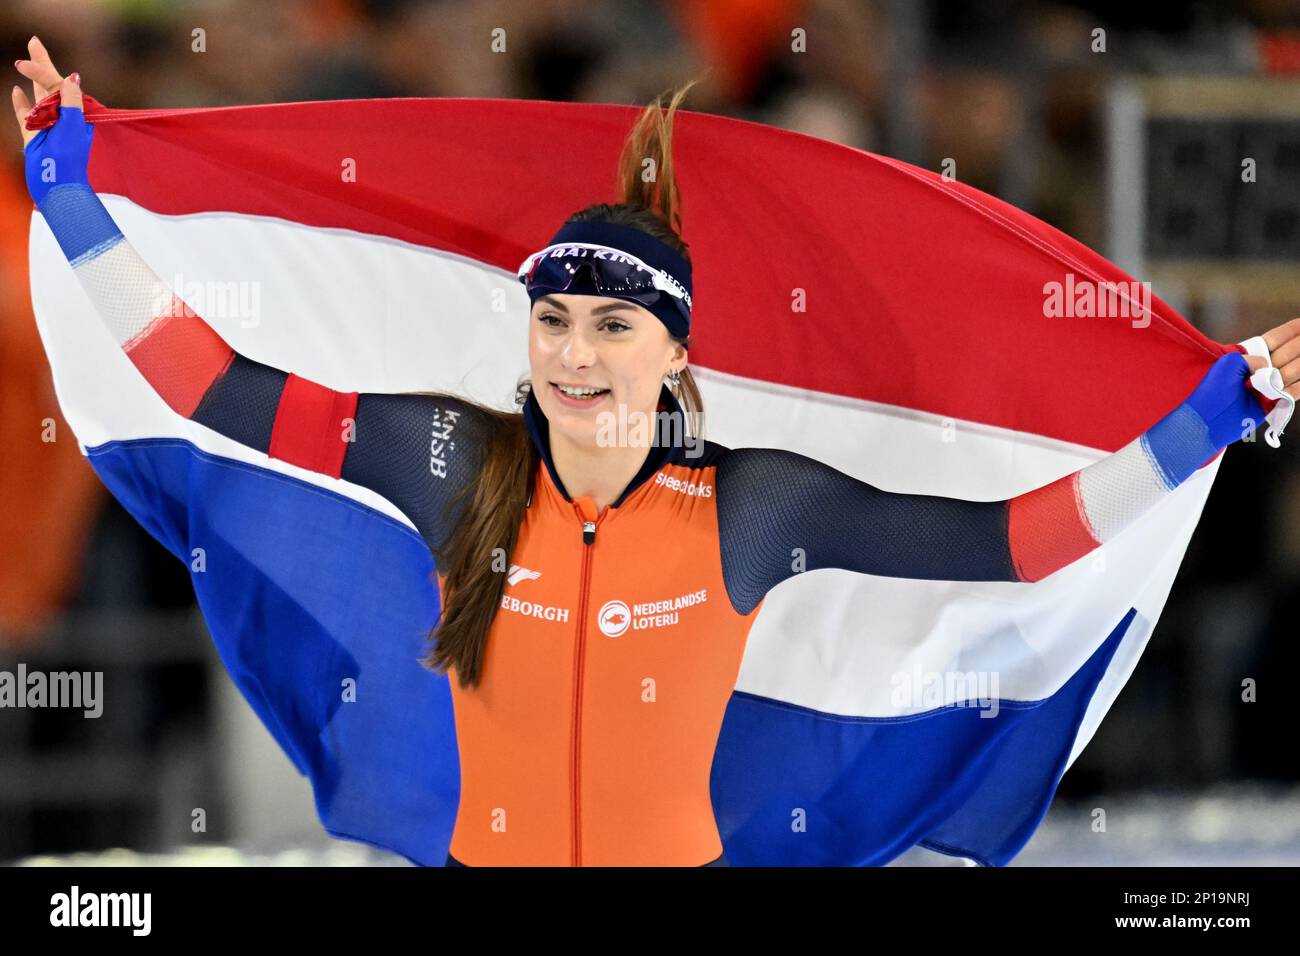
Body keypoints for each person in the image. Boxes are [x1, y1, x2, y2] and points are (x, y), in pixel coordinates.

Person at [13, 35, 1298, 867]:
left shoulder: (751, 506)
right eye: (554, 319)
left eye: (612, 326)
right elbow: (207, 383)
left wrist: (1196, 429)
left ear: (674, 354)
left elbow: (1021, 545)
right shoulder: (443, 456)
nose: (573, 353)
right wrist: (69, 201)